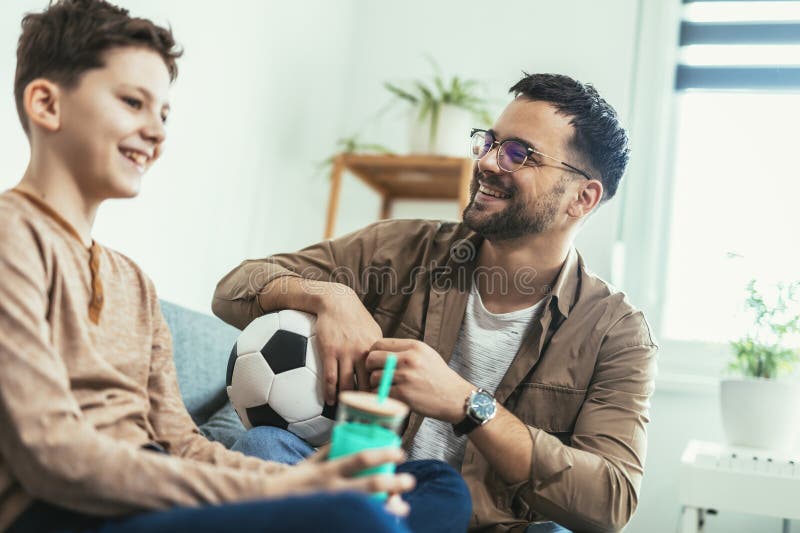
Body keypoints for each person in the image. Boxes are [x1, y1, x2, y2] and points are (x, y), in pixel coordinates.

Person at [0, 1, 471, 532]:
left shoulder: (133, 282)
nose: (156, 132)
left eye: (163, 114)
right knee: (355, 515)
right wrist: (281, 488)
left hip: (158, 498)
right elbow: (52, 454)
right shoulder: (11, 238)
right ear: (46, 104)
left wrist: (303, 479)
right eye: (133, 102)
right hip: (70, 514)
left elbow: (181, 443)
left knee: (432, 485)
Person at [213, 73, 659, 533]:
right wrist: (330, 295)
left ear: (582, 199)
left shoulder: (617, 333)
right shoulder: (401, 248)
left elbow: (610, 501)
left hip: (483, 525)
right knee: (265, 449)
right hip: (355, 497)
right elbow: (233, 287)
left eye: (518, 154)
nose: (487, 163)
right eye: (489, 142)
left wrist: (467, 403)